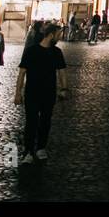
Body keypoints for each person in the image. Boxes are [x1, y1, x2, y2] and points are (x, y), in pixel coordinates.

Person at [14, 23, 67, 163]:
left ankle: (41, 148)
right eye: (58, 34)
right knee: (31, 122)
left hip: (49, 93)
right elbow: (22, 73)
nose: (60, 37)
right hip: (32, 92)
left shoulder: (57, 52)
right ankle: (28, 151)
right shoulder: (31, 51)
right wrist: (17, 93)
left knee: (45, 121)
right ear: (50, 35)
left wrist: (64, 88)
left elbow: (62, 72)